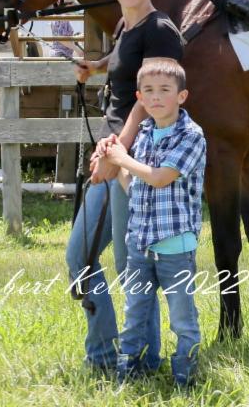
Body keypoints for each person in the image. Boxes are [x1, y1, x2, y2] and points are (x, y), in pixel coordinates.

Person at [67, 0, 183, 373]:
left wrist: (118, 154)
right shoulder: (125, 26)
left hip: (135, 156)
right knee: (80, 256)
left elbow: (150, 99)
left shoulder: (161, 30)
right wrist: (95, 66)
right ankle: (101, 356)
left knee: (129, 266)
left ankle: (141, 361)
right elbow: (126, 66)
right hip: (112, 150)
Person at [103, 58, 206, 387]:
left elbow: (161, 178)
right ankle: (129, 372)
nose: (157, 97)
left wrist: (124, 158)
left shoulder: (191, 136)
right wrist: (114, 157)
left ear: (182, 96)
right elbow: (131, 184)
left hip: (175, 247)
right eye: (149, 91)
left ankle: (185, 377)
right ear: (140, 98)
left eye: (165, 90)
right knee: (134, 314)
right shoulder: (145, 133)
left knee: (182, 318)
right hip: (140, 246)